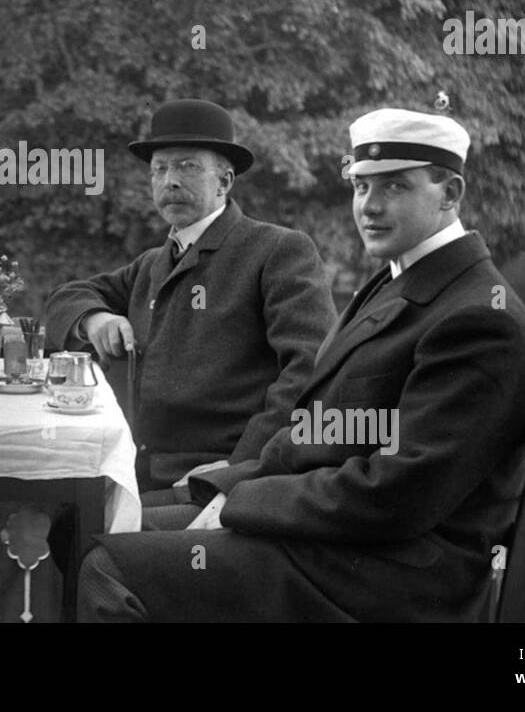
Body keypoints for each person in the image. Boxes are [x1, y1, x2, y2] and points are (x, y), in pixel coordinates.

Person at [76, 107, 525, 621]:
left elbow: (397, 495)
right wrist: (230, 485)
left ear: (450, 194)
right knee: (92, 529)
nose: (369, 206)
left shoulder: (479, 318)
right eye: (361, 187)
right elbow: (322, 430)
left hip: (393, 573)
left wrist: (243, 504)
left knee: (106, 565)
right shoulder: (401, 282)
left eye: (394, 188)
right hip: (340, 535)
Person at [45, 98, 335, 500]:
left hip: (216, 477)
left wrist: (241, 464)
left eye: (188, 166)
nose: (170, 181)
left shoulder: (276, 250)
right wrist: (96, 319)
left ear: (225, 182)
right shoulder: (152, 264)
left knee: (94, 544)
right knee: (39, 507)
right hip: (133, 464)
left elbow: (310, 372)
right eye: (159, 169)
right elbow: (68, 296)